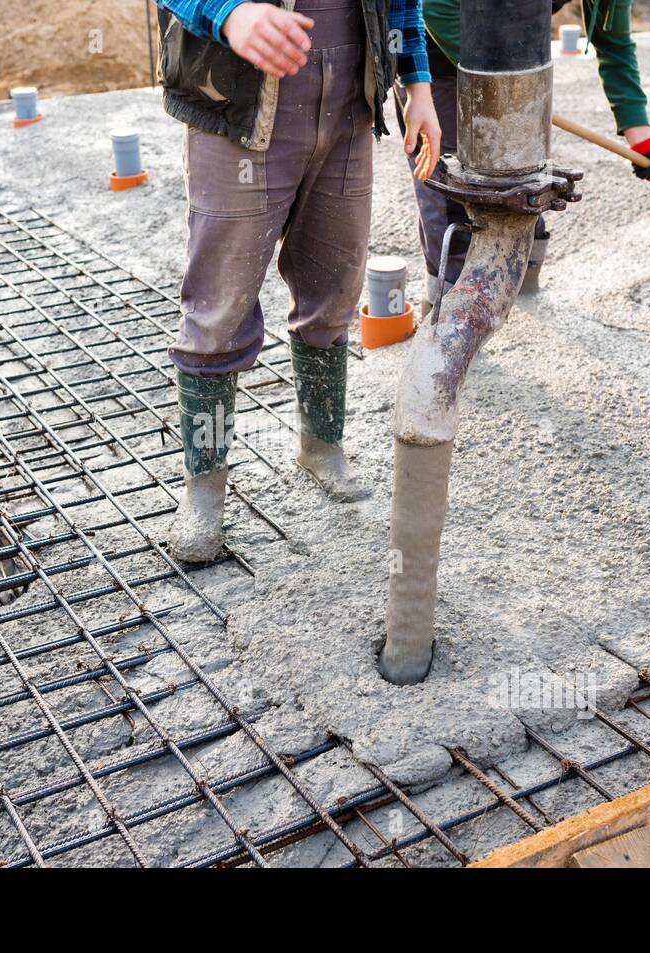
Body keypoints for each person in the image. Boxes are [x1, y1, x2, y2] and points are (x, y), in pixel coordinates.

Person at [156, 0, 442, 562]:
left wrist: (419, 88)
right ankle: (204, 489)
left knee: (334, 286)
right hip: (237, 107)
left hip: (346, 113)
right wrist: (228, 13)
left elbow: (403, 3)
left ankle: (321, 445)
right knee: (219, 308)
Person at [399, 0, 650, 303]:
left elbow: (613, 42)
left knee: (523, 174)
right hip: (435, 58)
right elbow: (436, 7)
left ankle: (523, 290)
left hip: (515, 56)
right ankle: (446, 316)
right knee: (453, 187)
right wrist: (505, 82)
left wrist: (641, 139)